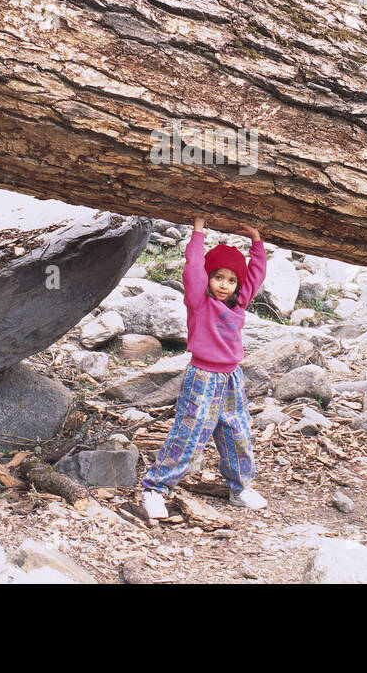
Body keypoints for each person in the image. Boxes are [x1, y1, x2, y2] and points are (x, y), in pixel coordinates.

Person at [140, 216, 267, 519]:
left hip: (232, 378)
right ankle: (155, 490)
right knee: (189, 433)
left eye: (231, 280)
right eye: (218, 277)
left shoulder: (239, 304)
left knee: (237, 432)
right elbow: (193, 269)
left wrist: (257, 241)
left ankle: (239, 488)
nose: (224, 285)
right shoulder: (198, 300)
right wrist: (198, 233)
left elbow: (256, 276)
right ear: (208, 278)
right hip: (203, 377)